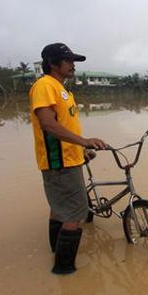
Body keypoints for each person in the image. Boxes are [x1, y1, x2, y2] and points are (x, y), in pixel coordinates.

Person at [29, 43, 107, 275]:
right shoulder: (45, 85)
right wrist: (84, 141)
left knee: (60, 207)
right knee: (75, 212)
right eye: (69, 61)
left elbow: (64, 125)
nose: (73, 65)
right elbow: (48, 124)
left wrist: (80, 150)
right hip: (58, 162)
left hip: (68, 159)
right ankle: (64, 269)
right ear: (53, 64)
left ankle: (56, 250)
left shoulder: (62, 89)